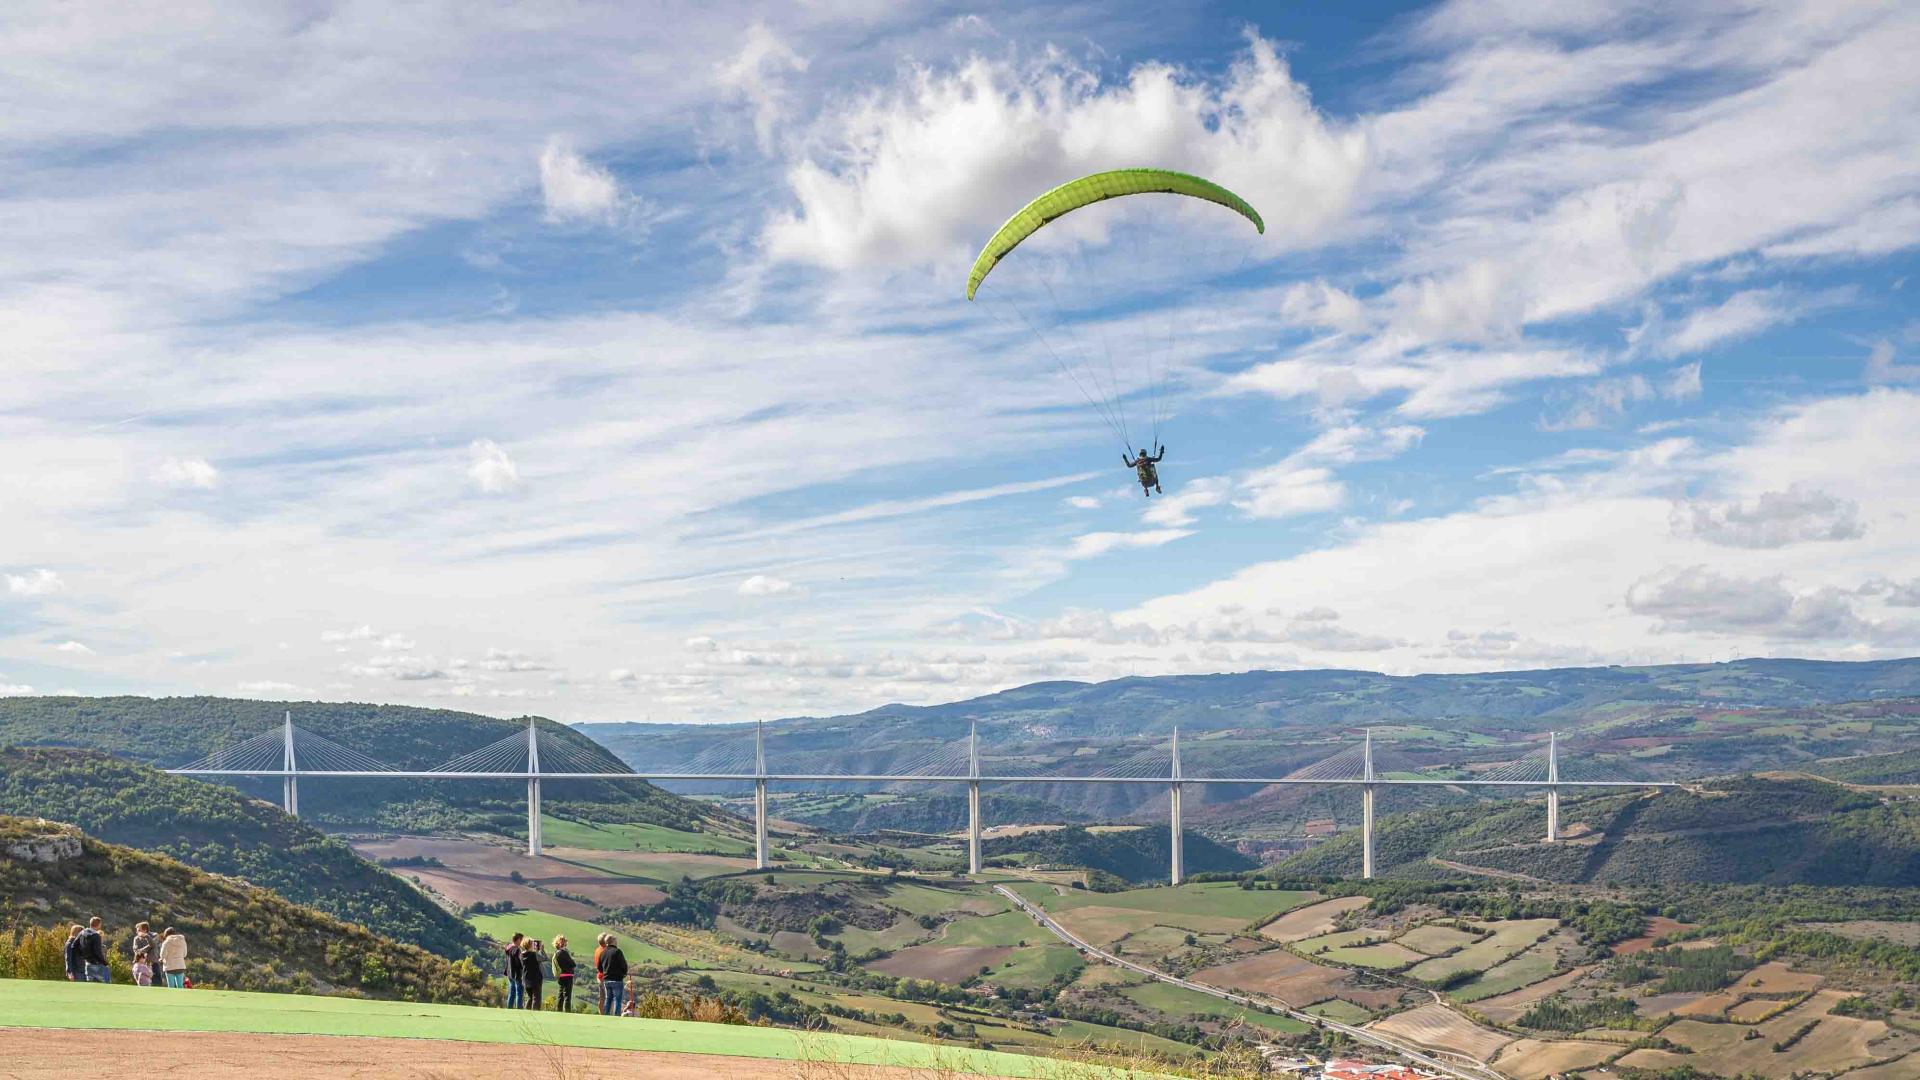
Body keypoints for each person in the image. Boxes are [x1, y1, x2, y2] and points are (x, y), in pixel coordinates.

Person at [596, 934, 628, 1016]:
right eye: (615, 940)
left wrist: (605, 973)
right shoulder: (617, 952)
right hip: (617, 979)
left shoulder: (602, 952)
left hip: (606, 979)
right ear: (612, 941)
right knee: (617, 1000)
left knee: (608, 999)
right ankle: (616, 1016)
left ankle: (606, 1016)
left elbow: (599, 967)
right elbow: (623, 965)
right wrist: (623, 973)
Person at [79, 916, 111, 983]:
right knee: (102, 983)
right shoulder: (96, 936)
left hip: (87, 962)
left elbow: (76, 946)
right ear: (99, 925)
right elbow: (97, 952)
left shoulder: (83, 933)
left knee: (90, 983)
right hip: (97, 963)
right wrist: (105, 963)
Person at [552, 936, 575, 1013]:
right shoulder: (564, 953)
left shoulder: (556, 953)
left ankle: (559, 1010)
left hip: (560, 976)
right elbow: (573, 964)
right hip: (568, 975)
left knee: (560, 994)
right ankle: (567, 1011)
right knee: (567, 996)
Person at [520, 938, 544, 1010]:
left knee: (530, 997)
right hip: (536, 979)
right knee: (536, 998)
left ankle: (527, 1011)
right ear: (530, 945)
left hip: (526, 979)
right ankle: (535, 1012)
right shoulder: (534, 955)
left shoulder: (522, 955)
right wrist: (541, 950)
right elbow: (544, 958)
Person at [131, 921, 156, 987]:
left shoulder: (154, 935)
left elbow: (153, 944)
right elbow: (136, 950)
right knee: (142, 984)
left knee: (156, 983)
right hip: (141, 964)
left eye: (139, 930)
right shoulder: (136, 939)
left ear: (145, 930)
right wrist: (148, 948)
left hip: (152, 963)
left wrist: (146, 936)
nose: (137, 932)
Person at [503, 933, 524, 1009]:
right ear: (518, 939)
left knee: (511, 993)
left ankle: (510, 1008)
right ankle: (519, 1009)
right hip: (516, 974)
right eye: (521, 939)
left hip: (509, 973)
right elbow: (519, 963)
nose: (522, 941)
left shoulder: (508, 948)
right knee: (519, 992)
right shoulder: (517, 950)